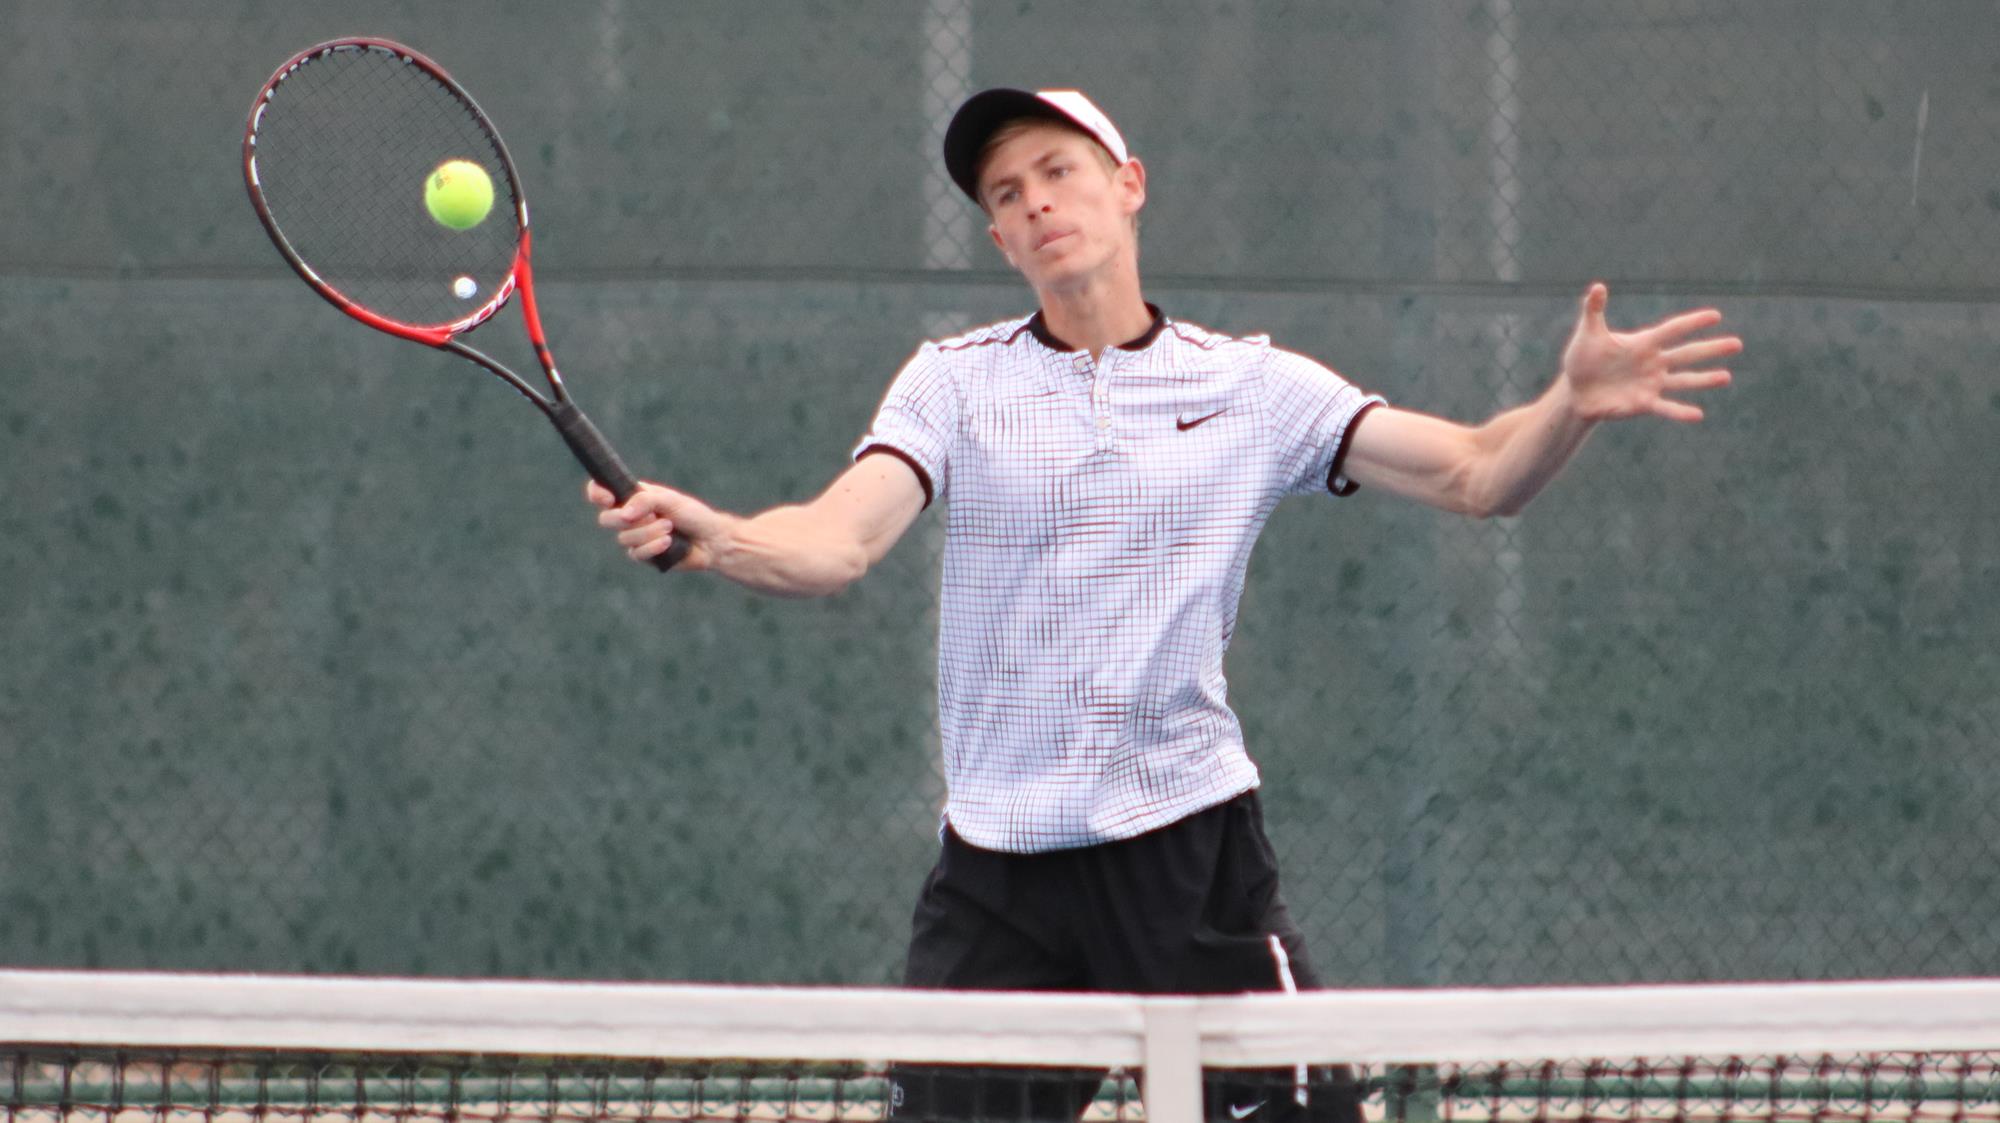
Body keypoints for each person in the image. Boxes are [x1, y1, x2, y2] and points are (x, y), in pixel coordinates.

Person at [588, 88, 1739, 1122]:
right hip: (998, 876)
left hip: (1188, 859)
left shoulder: (1250, 386)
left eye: (1058, 170)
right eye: (1006, 193)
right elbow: (836, 540)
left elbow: (1477, 473)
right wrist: (722, 537)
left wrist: (1568, 404)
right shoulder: (952, 382)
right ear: (995, 238)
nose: (1036, 202)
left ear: (1126, 186)